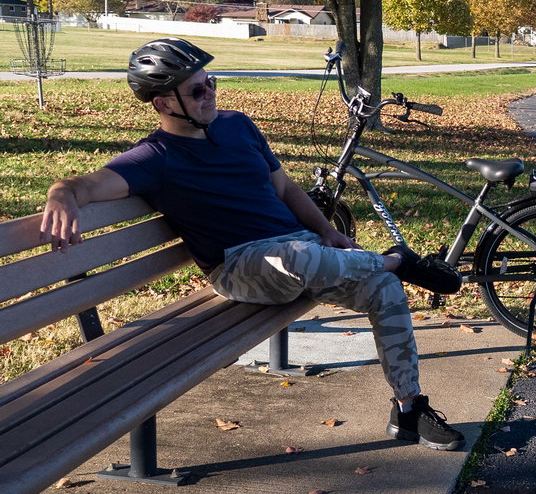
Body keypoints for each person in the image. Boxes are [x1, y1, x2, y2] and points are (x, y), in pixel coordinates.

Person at [39, 37, 465, 451]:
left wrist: (327, 230)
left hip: (299, 249)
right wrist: (61, 192)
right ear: (164, 104)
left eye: (210, 82)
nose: (210, 93)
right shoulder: (154, 157)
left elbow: (286, 189)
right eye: (197, 90)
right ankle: (396, 262)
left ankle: (408, 407)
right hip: (238, 266)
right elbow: (86, 185)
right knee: (302, 257)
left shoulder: (238, 125)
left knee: (382, 288)